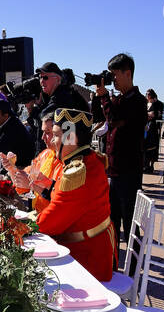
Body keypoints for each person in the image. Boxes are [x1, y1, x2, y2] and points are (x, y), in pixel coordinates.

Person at [35, 109, 117, 282]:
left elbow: (50, 223)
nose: (53, 141)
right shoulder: (86, 160)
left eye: (56, 135)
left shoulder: (78, 171)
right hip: (87, 248)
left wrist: (25, 224)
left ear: (70, 138)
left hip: (87, 259)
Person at [93, 53, 146, 259]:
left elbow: (114, 118)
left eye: (115, 75)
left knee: (130, 221)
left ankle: (133, 268)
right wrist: (100, 96)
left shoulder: (137, 101)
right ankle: (112, 263)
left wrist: (105, 97)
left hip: (128, 171)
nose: (113, 80)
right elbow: (101, 118)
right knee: (112, 220)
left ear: (128, 73)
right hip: (114, 170)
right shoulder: (120, 99)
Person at [0, 94, 35, 169]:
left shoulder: (13, 126)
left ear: (6, 115)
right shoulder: (4, 123)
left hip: (23, 167)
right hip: (14, 164)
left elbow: (0, 145)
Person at [144, 89, 163, 172]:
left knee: (152, 147)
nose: (147, 96)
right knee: (146, 147)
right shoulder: (146, 104)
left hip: (153, 128)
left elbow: (154, 114)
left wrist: (148, 114)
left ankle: (151, 165)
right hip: (146, 127)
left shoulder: (157, 104)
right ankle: (146, 165)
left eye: (148, 94)